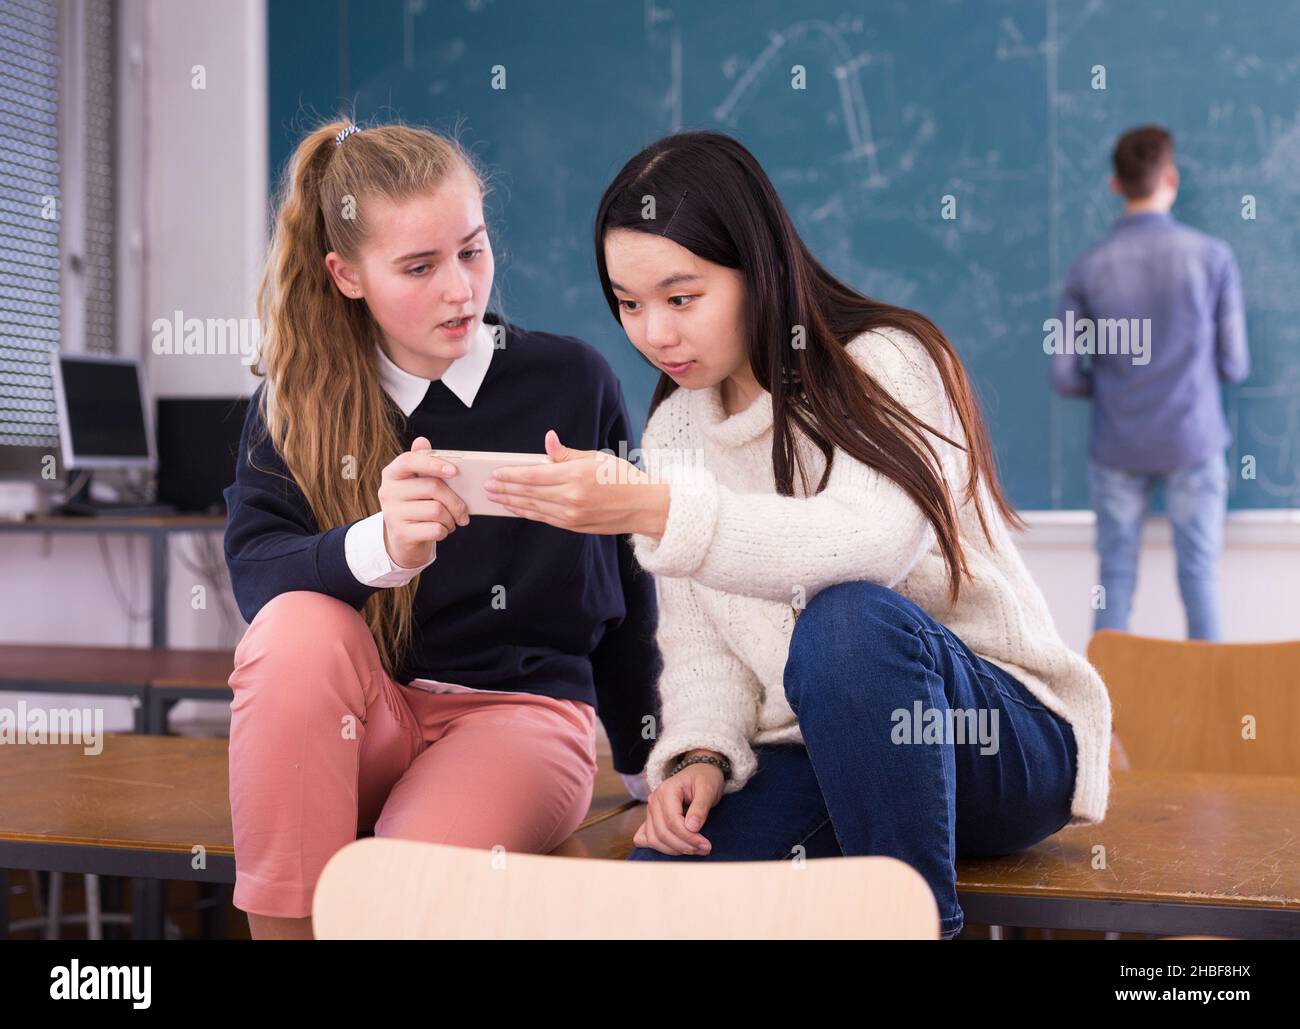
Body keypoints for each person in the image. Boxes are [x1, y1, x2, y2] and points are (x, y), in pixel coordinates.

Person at [484, 130, 1112, 940]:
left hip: (995, 739)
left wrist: (656, 510)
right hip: (824, 750)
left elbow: (867, 545)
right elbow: (702, 642)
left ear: (759, 268)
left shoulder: (888, 360)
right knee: (658, 899)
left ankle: (923, 929)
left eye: (682, 298)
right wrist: (701, 753)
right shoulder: (676, 426)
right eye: (628, 304)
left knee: (846, 622)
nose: (654, 334)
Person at [223, 119, 660, 940]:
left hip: (517, 717)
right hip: (371, 721)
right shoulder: (295, 403)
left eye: (473, 249)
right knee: (294, 626)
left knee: (395, 897)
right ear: (346, 274)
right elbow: (257, 576)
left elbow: (627, 581)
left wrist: (645, 753)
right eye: (420, 267)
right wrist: (380, 546)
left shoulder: (570, 379)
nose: (462, 289)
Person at [1050, 124, 1251, 640]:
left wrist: (1116, 386)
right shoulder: (1212, 258)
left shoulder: (1086, 269)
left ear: (1116, 184)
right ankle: (1216, 718)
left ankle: (1104, 720)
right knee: (1199, 577)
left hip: (1119, 444)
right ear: (1171, 178)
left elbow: (1065, 374)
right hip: (1193, 437)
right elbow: (1234, 365)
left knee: (1114, 579)